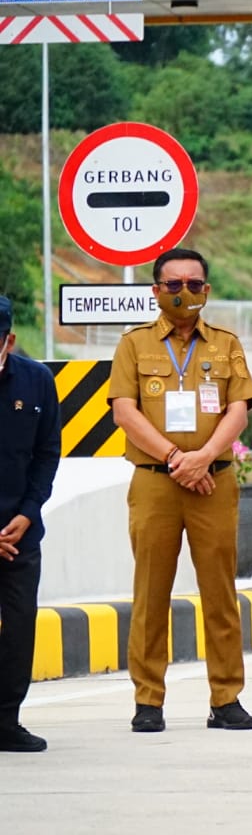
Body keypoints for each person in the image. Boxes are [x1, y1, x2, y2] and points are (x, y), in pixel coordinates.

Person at [108, 248, 252, 734]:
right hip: (155, 482)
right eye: (173, 285)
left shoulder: (226, 344)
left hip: (213, 481)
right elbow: (125, 412)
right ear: (155, 290)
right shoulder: (133, 345)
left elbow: (238, 409)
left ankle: (226, 697)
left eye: (194, 284)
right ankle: (148, 699)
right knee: (151, 593)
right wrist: (177, 460)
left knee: (220, 593)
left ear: (207, 290)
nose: (184, 293)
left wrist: (201, 458)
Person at [0, 297, 60, 753]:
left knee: (20, 627)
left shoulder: (37, 382)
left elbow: (46, 455)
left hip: (20, 532)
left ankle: (6, 720)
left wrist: (28, 511)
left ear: (9, 342)